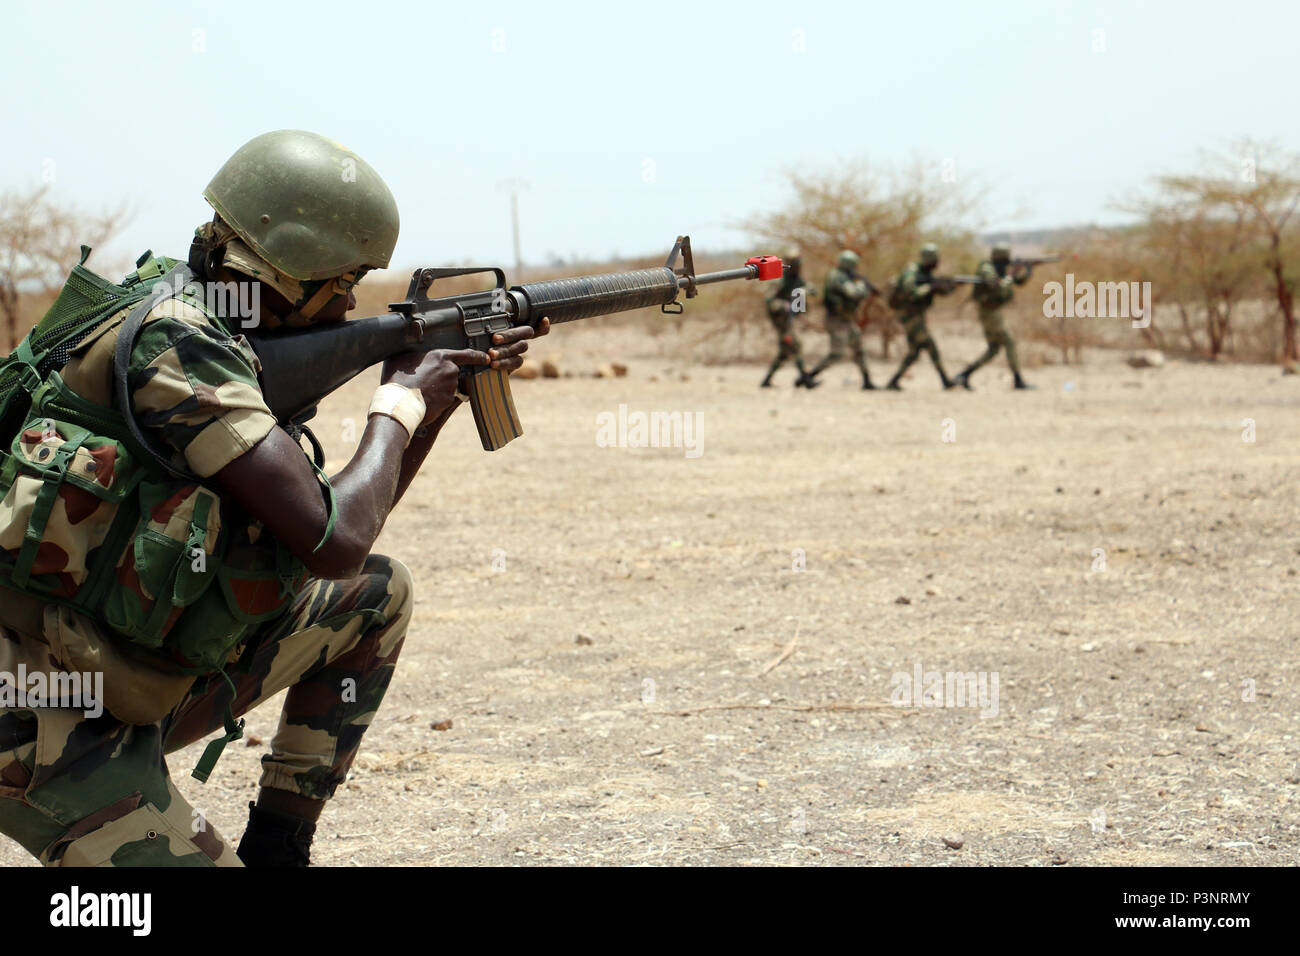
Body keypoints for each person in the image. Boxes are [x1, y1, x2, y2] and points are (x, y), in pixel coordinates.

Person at [0, 129, 543, 866]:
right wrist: (399, 406)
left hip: (120, 666)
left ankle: (279, 849)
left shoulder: (204, 318)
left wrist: (432, 406)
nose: (353, 302)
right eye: (343, 284)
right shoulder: (179, 344)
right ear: (287, 270)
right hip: (35, 710)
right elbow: (334, 535)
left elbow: (334, 548)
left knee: (373, 596)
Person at [953, 243, 1035, 390]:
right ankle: (1017, 380)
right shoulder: (987, 269)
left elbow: (1018, 282)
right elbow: (998, 286)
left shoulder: (1000, 270)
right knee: (1009, 342)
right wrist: (1011, 275)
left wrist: (1028, 270)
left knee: (993, 349)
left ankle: (964, 375)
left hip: (993, 312)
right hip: (988, 313)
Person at [885, 242, 955, 390]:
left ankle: (893, 382)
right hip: (908, 316)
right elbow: (911, 293)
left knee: (914, 353)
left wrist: (947, 287)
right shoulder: (911, 272)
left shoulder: (927, 274)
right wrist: (931, 287)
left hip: (917, 315)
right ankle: (946, 381)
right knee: (930, 345)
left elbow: (937, 291)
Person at [805, 250, 876, 390]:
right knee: (837, 353)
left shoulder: (845, 277)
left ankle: (867, 381)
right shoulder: (837, 276)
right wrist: (863, 286)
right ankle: (809, 376)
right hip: (836, 321)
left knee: (859, 349)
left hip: (847, 320)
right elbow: (854, 294)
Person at [760, 247, 818, 388]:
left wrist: (808, 290)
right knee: (794, 346)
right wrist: (783, 305)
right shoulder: (779, 279)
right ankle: (805, 379)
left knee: (786, 352)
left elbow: (809, 290)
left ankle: (766, 381)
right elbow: (769, 301)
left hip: (790, 318)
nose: (798, 267)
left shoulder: (796, 279)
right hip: (780, 320)